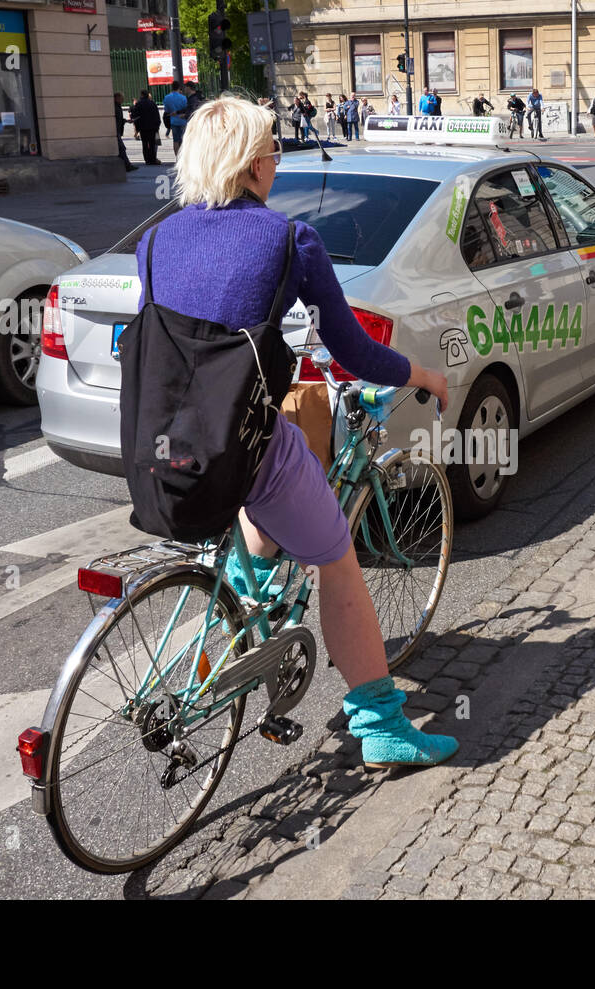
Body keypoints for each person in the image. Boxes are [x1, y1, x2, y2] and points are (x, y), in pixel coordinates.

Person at [134, 95, 457, 769]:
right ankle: (381, 723)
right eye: (275, 150)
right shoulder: (290, 241)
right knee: (336, 555)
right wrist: (422, 374)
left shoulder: (155, 240)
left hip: (160, 439)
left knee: (258, 512)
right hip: (244, 437)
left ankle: (244, 619)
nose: (279, 160)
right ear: (256, 163)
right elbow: (355, 353)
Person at [132, 90, 162, 165]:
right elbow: (157, 115)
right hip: (152, 127)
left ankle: (147, 160)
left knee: (145, 144)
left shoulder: (138, 104)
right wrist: (157, 126)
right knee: (152, 144)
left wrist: (137, 128)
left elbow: (135, 116)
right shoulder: (152, 103)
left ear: (142, 95)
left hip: (143, 127)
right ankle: (152, 159)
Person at [114, 92, 139, 171]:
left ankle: (126, 165)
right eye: (121, 98)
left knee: (121, 149)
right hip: (116, 130)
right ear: (116, 98)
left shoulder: (117, 106)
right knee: (121, 148)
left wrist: (126, 121)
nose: (122, 100)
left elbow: (119, 119)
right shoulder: (115, 107)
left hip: (117, 130)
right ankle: (127, 165)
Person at [163, 85, 189, 154]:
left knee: (175, 140)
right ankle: (182, 156)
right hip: (183, 120)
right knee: (183, 140)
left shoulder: (167, 97)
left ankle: (177, 157)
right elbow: (186, 108)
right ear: (178, 88)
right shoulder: (183, 98)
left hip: (173, 121)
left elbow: (166, 110)